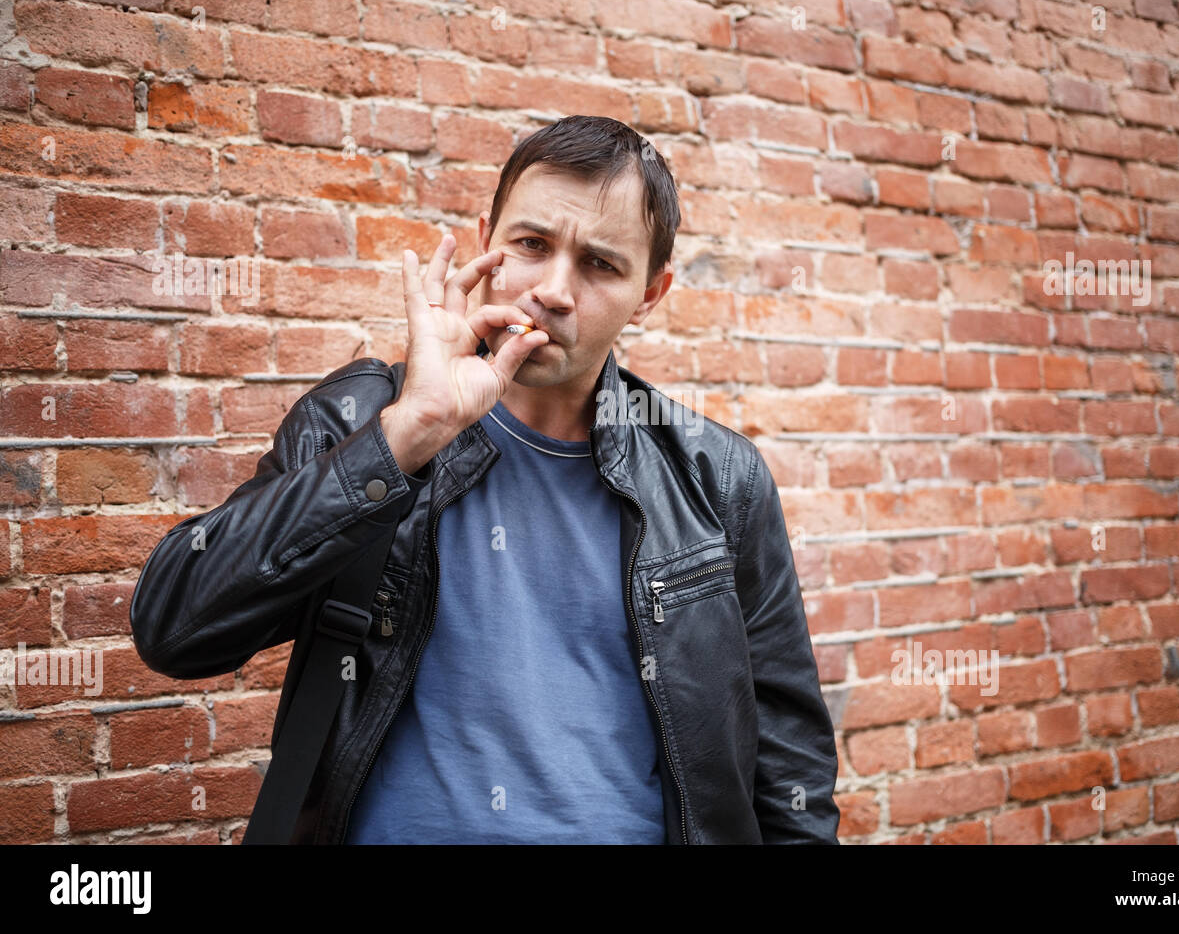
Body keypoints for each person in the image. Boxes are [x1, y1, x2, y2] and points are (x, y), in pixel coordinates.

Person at [130, 115, 840, 844]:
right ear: (486, 243)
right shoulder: (361, 420)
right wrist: (407, 437)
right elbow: (174, 629)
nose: (555, 291)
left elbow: (791, 765)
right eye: (532, 245)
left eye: (600, 264)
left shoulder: (716, 477)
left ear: (651, 293)